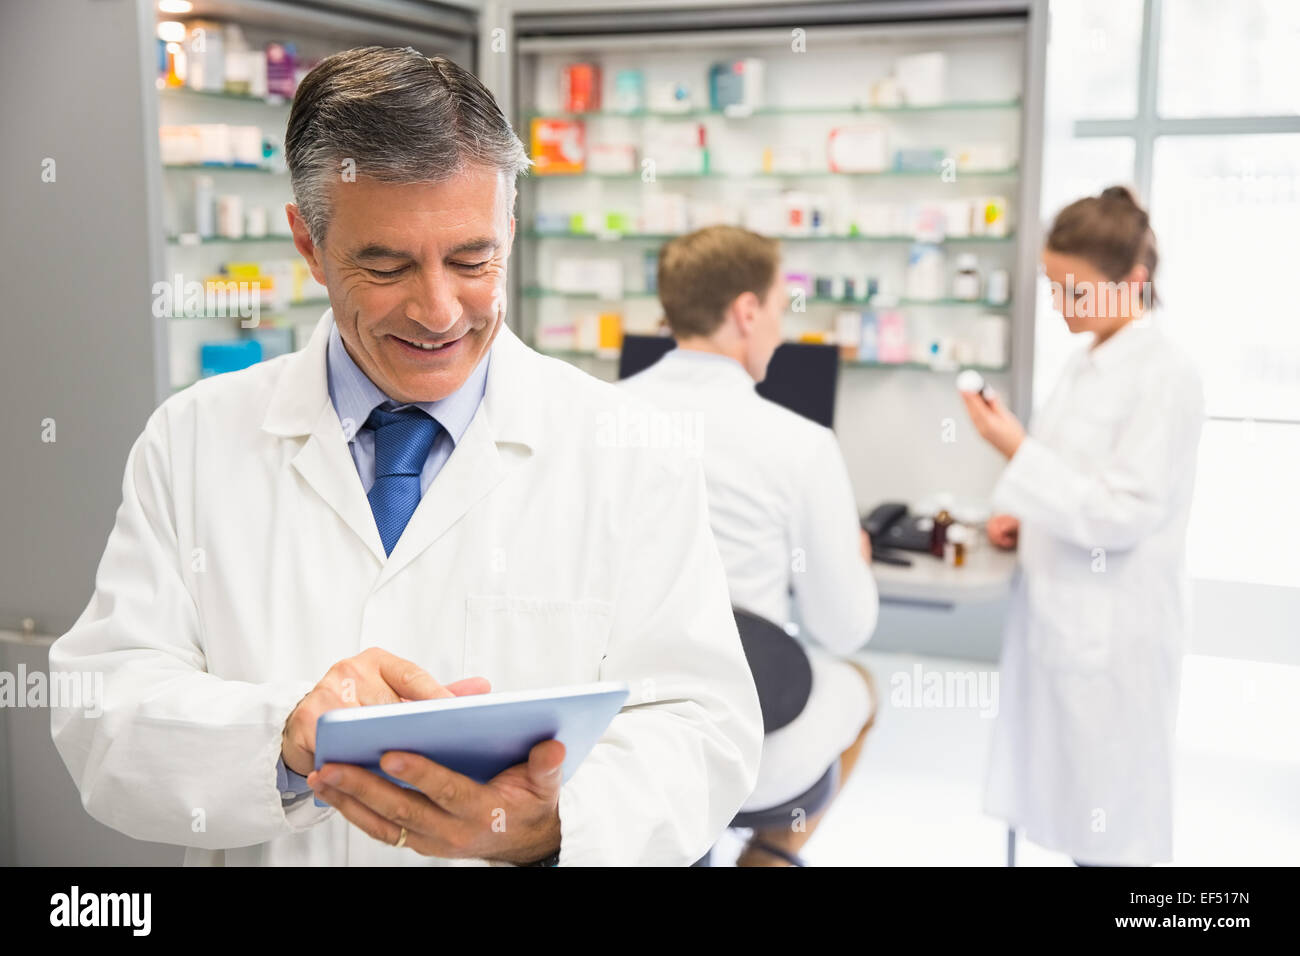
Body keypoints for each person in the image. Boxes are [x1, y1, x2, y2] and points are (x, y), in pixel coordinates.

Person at [47, 48, 762, 867]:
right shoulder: (194, 440)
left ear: (511, 229)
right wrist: (282, 736)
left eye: (472, 259)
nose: (438, 309)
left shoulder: (630, 451)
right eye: (385, 265)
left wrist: (556, 825)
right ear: (309, 245)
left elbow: (705, 726)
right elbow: (100, 712)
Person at [619, 225, 879, 867]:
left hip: (623, 735)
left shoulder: (598, 414)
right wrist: (853, 562)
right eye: (779, 310)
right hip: (748, 747)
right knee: (864, 684)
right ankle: (771, 855)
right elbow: (842, 630)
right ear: (746, 311)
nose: (783, 333)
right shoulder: (800, 443)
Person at [961, 186, 1204, 866]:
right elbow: (1069, 480)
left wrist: (1015, 450)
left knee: (1114, 826)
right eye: (1054, 288)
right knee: (1073, 805)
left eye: (1077, 291)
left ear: (1135, 280)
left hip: (1114, 636)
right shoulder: (1085, 360)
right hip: (1062, 620)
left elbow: (1121, 512)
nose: (1062, 307)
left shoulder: (1165, 375)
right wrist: (1020, 514)